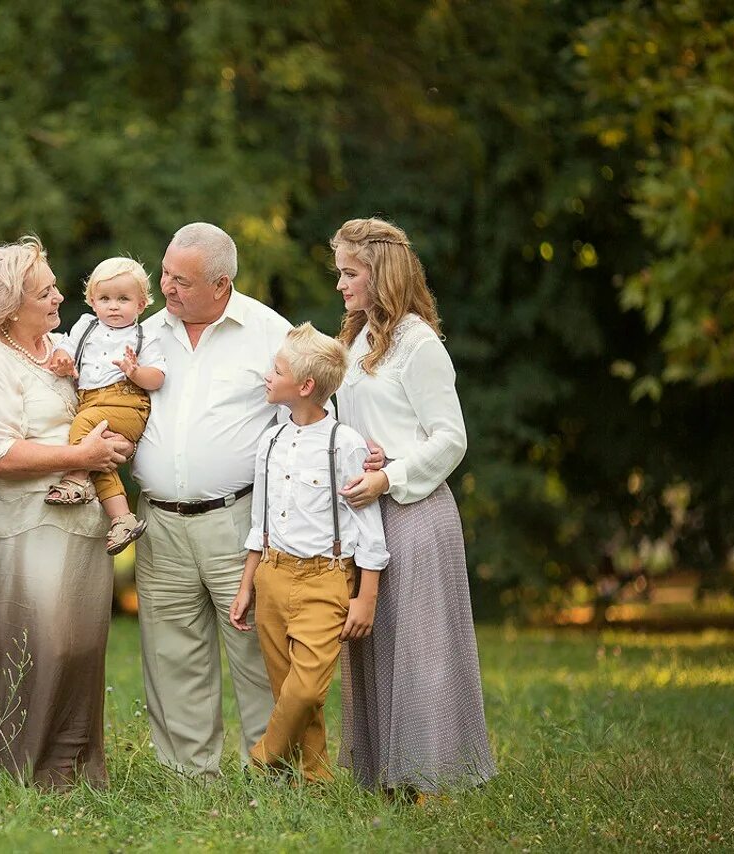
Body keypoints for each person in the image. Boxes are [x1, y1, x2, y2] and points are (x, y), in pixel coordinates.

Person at [0, 236, 131, 789]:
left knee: (81, 643)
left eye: (54, 288)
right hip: (26, 525)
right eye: (44, 292)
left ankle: (72, 767)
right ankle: (17, 768)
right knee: (39, 643)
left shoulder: (58, 347)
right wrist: (82, 455)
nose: (58, 298)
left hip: (82, 522)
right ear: (10, 307)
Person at [330, 217, 496, 795]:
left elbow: (450, 439)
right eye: (340, 274)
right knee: (370, 642)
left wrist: (391, 477)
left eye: (350, 273)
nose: (341, 285)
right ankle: (383, 774)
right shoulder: (352, 341)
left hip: (414, 513)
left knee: (418, 646)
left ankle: (430, 777)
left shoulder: (418, 343)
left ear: (382, 274)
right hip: (364, 516)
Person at [130, 222, 291, 778]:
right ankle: (189, 778)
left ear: (221, 285)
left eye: (182, 280)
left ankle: (273, 773)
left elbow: (307, 427)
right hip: (159, 523)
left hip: (240, 521)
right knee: (173, 656)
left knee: (255, 652)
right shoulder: (144, 333)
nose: (166, 287)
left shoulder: (270, 333)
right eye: (165, 273)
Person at [227, 323, 389, 782]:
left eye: (275, 370)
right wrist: (246, 587)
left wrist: (366, 596)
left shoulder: (346, 443)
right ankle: (316, 782)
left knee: (305, 688)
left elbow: (368, 527)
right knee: (290, 692)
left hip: (326, 579)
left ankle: (263, 758)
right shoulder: (271, 440)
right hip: (272, 577)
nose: (267, 375)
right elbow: (259, 524)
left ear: (304, 386)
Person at [45, 257, 167, 555]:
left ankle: (75, 477)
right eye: (105, 299)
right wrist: (62, 357)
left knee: (84, 426)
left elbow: (158, 377)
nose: (113, 306)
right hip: (91, 401)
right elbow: (67, 346)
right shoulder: (86, 325)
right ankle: (122, 518)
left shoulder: (144, 336)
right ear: (92, 301)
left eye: (123, 299)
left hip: (125, 404)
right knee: (99, 460)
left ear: (141, 305)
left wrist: (135, 371)